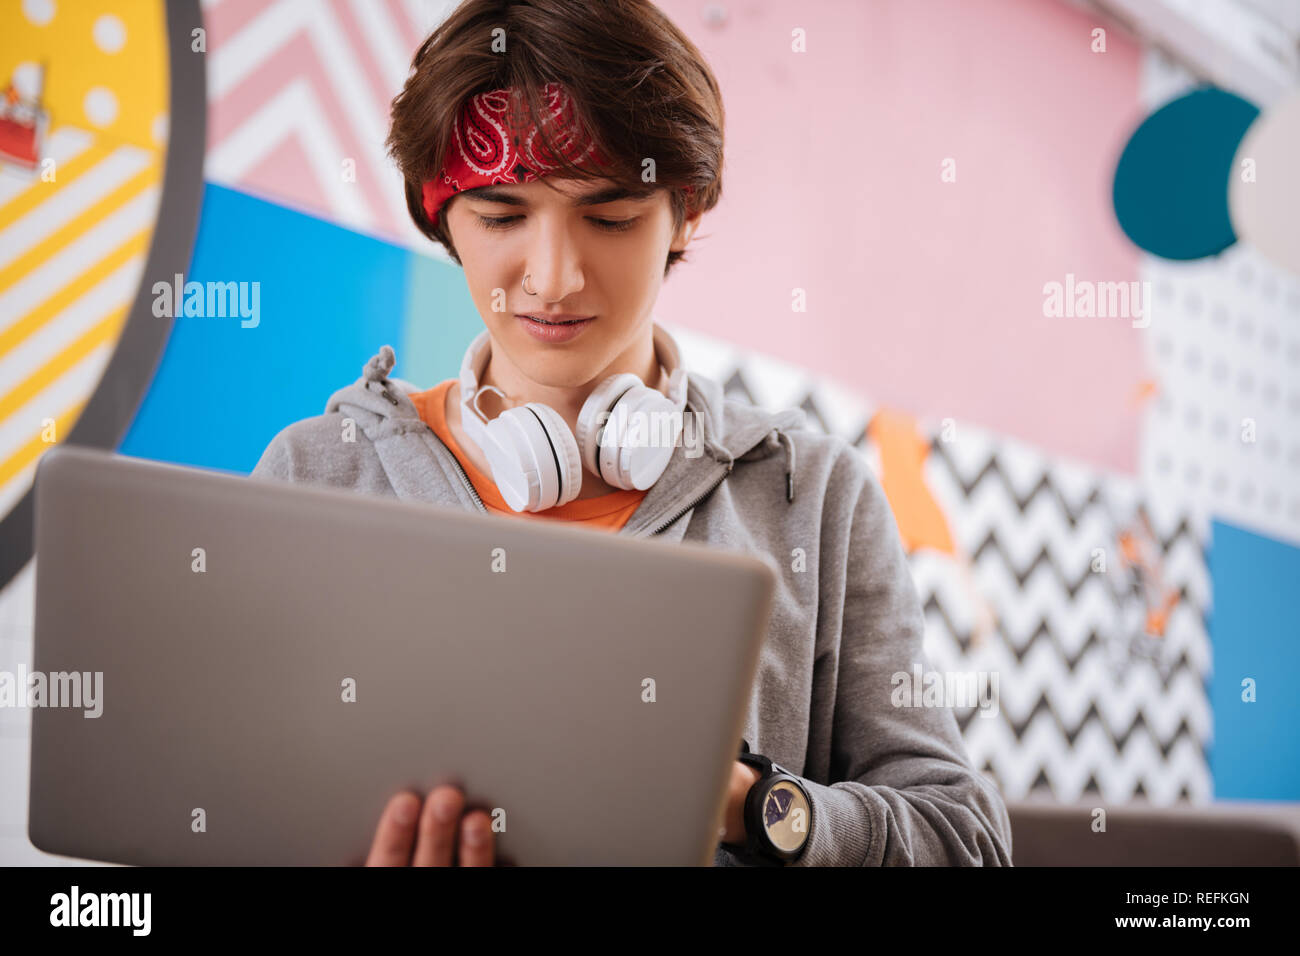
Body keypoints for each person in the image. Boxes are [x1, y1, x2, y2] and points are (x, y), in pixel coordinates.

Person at [251, 0, 1013, 867]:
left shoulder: (816, 497)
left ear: (685, 215)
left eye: (610, 217)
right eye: (502, 216)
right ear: (442, 222)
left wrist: (753, 806)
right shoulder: (317, 474)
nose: (554, 277)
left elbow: (965, 843)